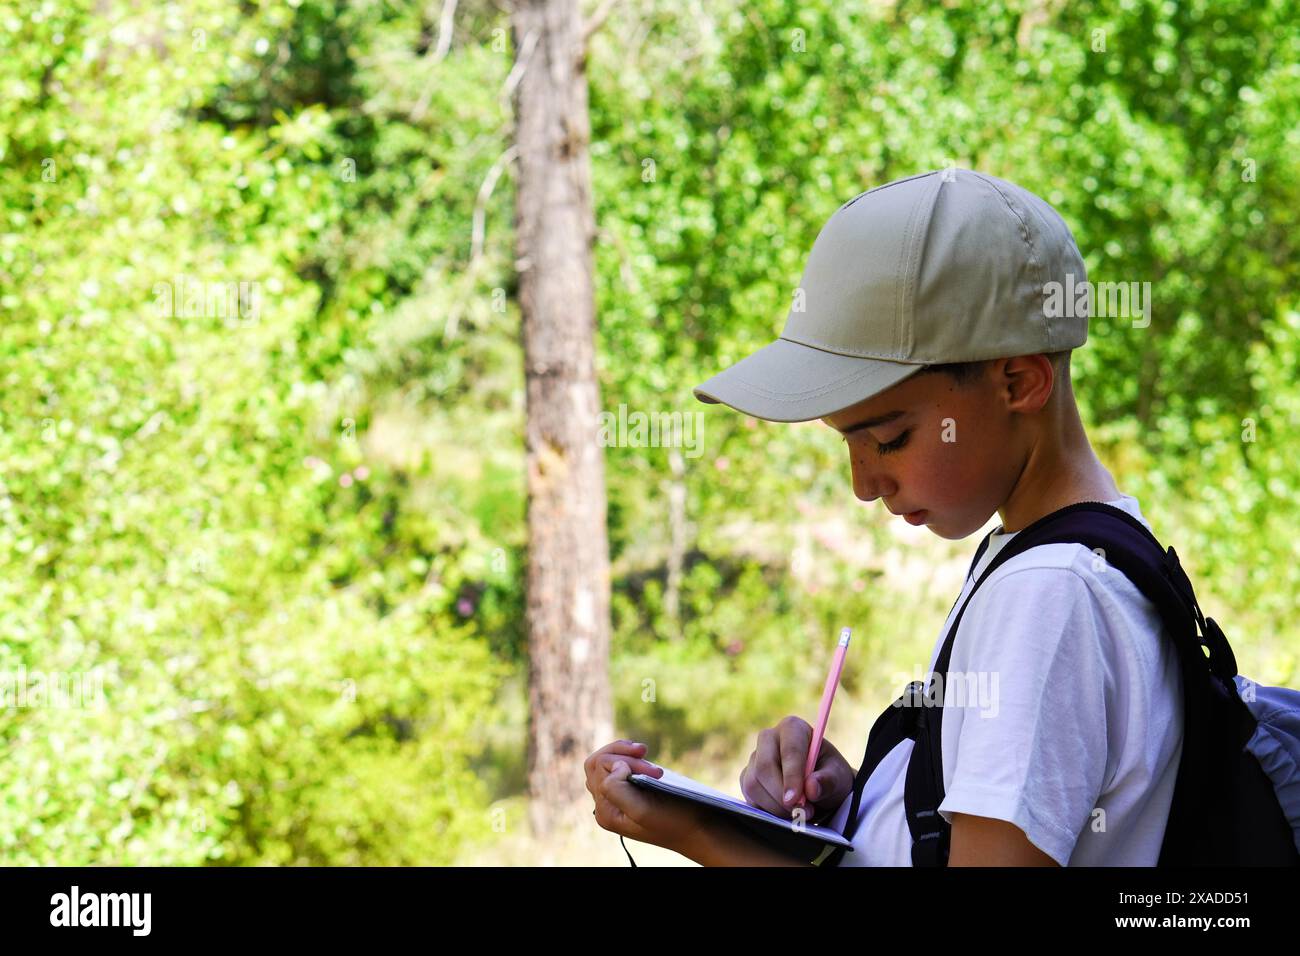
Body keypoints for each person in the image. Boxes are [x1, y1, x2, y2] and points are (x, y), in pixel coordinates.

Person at [584, 168, 1182, 866]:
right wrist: (870, 798)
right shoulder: (1082, 551)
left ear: (1018, 382)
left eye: (890, 438)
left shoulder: (1048, 596)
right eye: (847, 442)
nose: (864, 484)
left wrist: (702, 836)